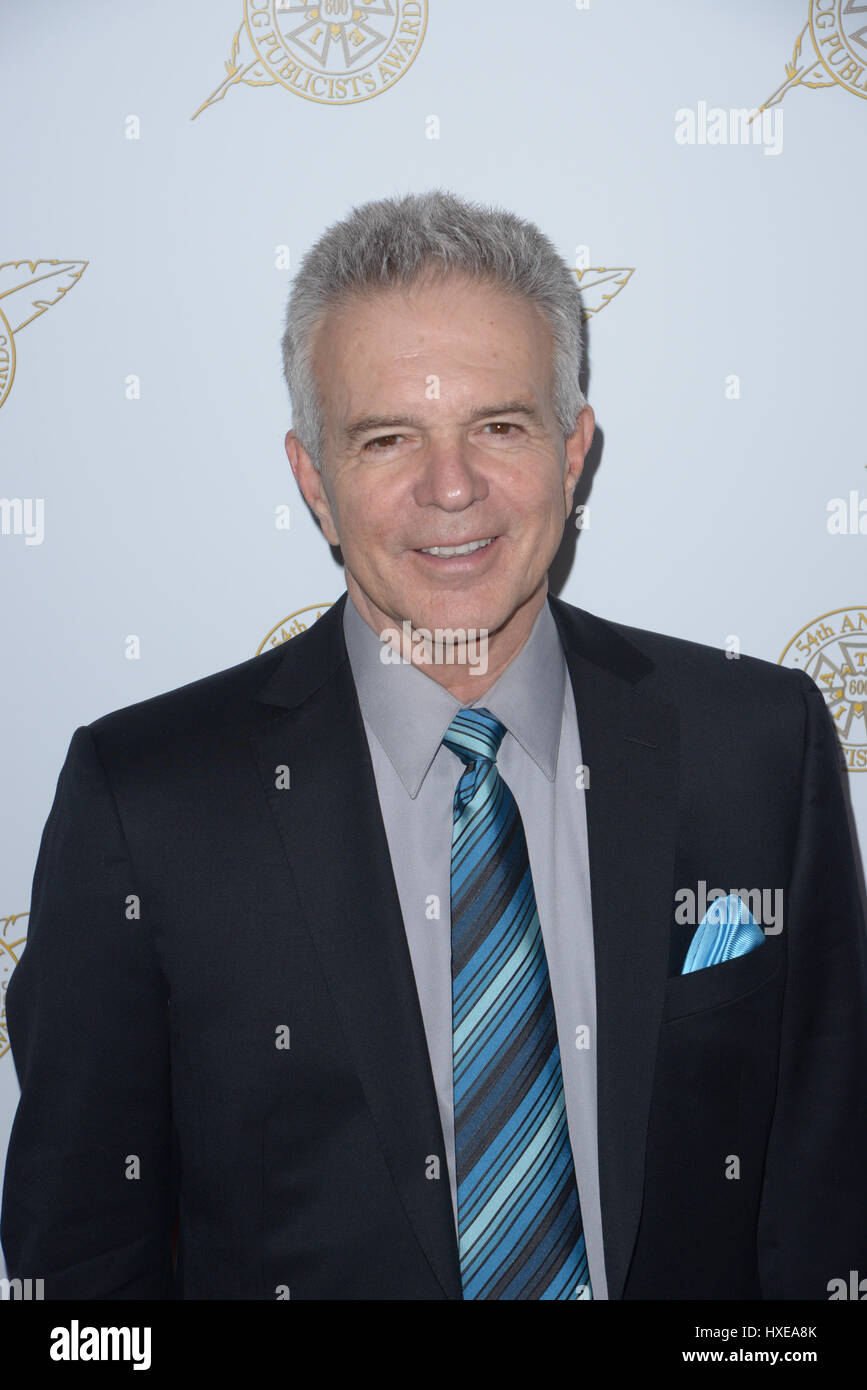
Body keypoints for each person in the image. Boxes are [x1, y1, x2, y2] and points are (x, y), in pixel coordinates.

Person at [3, 190, 866, 1300]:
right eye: (386, 437)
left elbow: (827, 1206)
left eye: (498, 426)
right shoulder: (146, 800)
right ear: (314, 481)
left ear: (574, 450)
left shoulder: (760, 744)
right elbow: (82, 1270)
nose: (450, 488)